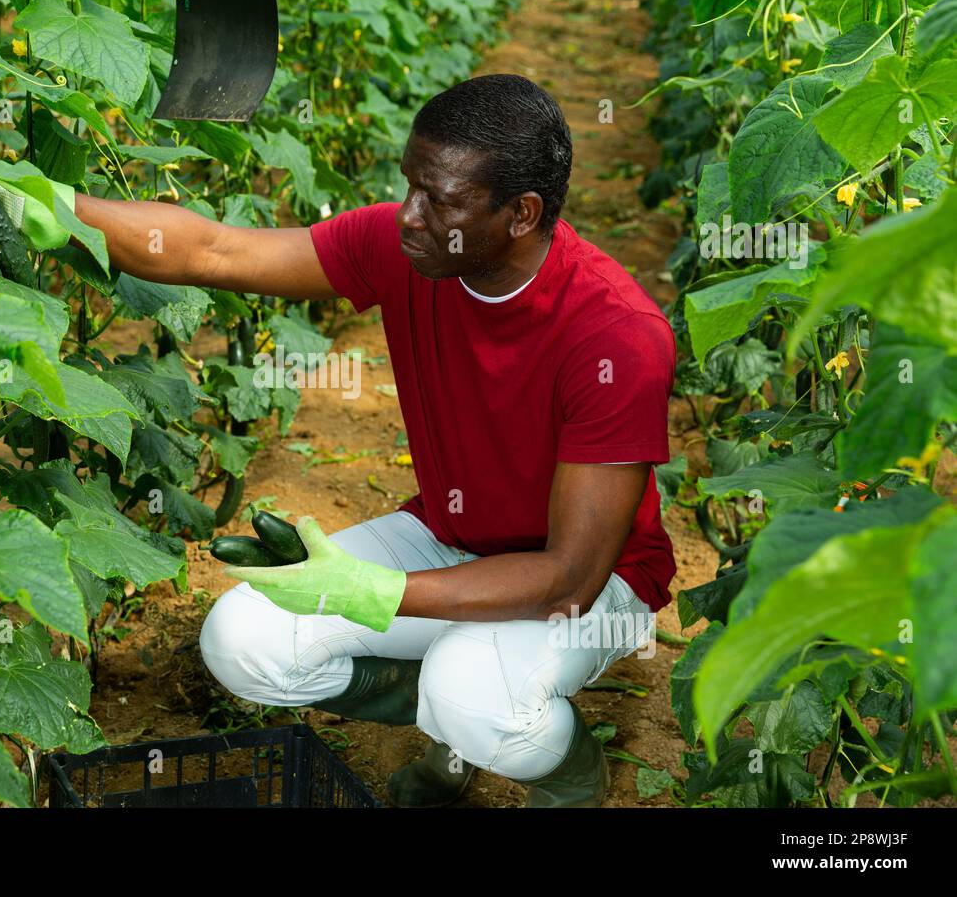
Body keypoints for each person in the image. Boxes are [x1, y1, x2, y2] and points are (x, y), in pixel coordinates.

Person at [55, 73, 678, 807]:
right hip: (453, 537)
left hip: (594, 585)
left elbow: (569, 575)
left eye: (437, 199)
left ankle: (567, 773)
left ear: (521, 213)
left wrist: (377, 594)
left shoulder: (616, 337)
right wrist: (52, 205)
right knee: (243, 640)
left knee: (472, 691)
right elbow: (214, 251)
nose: (408, 215)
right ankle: (451, 714)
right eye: (409, 184)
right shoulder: (410, 249)